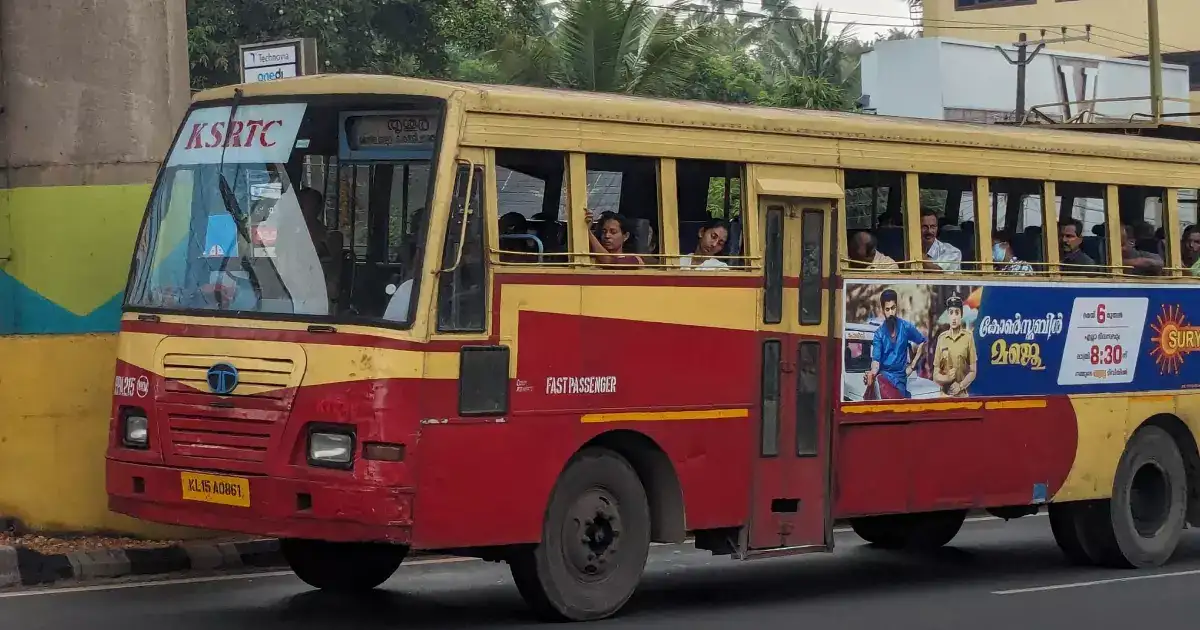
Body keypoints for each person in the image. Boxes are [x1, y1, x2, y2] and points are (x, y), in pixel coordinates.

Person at [864, 289, 927, 399]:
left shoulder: (906, 327)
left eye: (893, 308)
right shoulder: (879, 334)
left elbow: (922, 342)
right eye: (887, 309)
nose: (891, 313)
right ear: (883, 310)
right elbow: (876, 361)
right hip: (884, 379)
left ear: (896, 307)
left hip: (900, 380)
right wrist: (872, 373)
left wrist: (913, 365)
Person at [932, 295, 977, 398]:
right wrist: (947, 378)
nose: (954, 317)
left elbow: (973, 371)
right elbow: (935, 375)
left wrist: (960, 386)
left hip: (962, 396)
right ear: (948, 315)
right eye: (951, 312)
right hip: (944, 396)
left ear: (961, 315)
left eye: (957, 312)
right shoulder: (941, 339)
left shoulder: (968, 338)